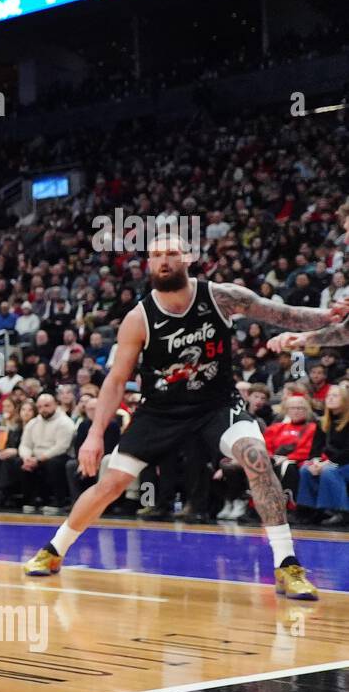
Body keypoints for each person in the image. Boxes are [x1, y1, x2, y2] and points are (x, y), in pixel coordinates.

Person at [24, 233, 349, 598]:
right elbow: (116, 380)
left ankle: (286, 564)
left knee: (256, 457)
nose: (163, 260)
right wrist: (96, 433)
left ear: (188, 257)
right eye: (156, 255)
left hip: (217, 404)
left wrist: (326, 316)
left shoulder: (220, 296)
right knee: (110, 485)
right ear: (148, 263)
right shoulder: (138, 318)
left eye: (171, 253)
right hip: (160, 411)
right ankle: (54, 549)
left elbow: (280, 313)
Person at [295, 384, 349, 525]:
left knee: (329, 471)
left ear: (345, 399)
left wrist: (327, 463)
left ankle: (339, 512)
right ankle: (310, 510)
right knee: (306, 469)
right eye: (328, 396)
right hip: (330, 462)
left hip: (344, 462)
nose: (329, 398)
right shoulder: (322, 423)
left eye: (335, 396)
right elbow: (315, 449)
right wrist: (315, 462)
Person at [18, 393, 76, 514]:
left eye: (47, 406)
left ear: (55, 405)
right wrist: (27, 458)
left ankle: (58, 501)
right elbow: (25, 444)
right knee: (18, 462)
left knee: (54, 464)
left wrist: (39, 459)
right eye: (39, 407)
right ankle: (30, 500)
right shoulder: (33, 423)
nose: (43, 409)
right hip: (36, 457)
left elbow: (61, 447)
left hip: (58, 456)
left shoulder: (65, 422)